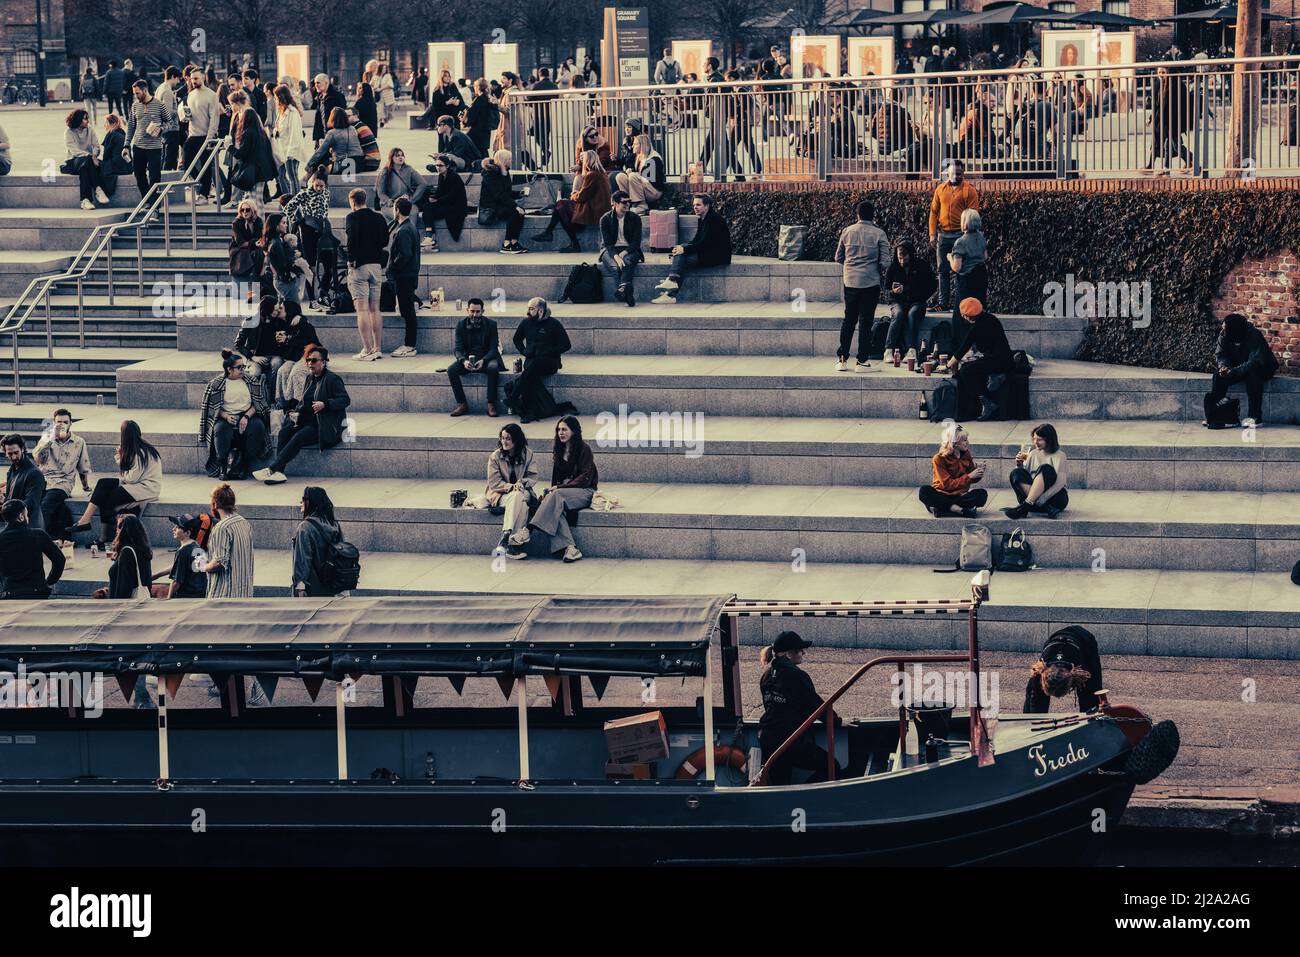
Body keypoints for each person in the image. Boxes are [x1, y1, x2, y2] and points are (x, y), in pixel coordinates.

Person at [254, 345, 351, 483]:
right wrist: (296, 412)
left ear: (323, 362)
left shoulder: (333, 379)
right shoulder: (310, 378)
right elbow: (305, 402)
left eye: (314, 360)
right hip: (308, 420)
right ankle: (279, 473)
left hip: (325, 425)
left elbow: (345, 400)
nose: (310, 363)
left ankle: (271, 470)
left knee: (299, 436)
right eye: (308, 360)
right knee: (284, 432)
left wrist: (325, 404)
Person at [758, 631, 843, 786]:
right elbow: (815, 705)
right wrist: (837, 721)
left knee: (781, 785)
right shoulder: (797, 675)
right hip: (789, 741)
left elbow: (775, 708)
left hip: (768, 739)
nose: (804, 652)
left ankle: (791, 804)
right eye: (800, 649)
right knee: (832, 767)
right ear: (790, 654)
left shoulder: (767, 675)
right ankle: (805, 798)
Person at [508, 416, 596, 563]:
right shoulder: (559, 450)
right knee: (555, 508)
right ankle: (571, 549)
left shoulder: (584, 449)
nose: (561, 433)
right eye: (558, 430)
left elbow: (585, 478)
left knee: (557, 496)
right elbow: (556, 480)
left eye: (564, 429)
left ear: (573, 431)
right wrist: (549, 493)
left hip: (585, 491)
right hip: (563, 494)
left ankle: (528, 530)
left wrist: (558, 488)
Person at [74, 420, 163, 546]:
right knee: (103, 483)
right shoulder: (141, 447)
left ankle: (105, 539)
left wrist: (120, 459)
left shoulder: (139, 452)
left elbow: (132, 478)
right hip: (138, 485)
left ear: (125, 435)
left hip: (145, 488)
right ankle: (86, 520)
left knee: (107, 498)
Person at [833, 200, 891, 373]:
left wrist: (851, 266)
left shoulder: (847, 231)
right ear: (873, 215)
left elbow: (838, 257)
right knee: (865, 322)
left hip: (850, 282)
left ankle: (842, 359)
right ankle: (863, 361)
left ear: (857, 215)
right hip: (870, 283)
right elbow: (886, 262)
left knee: (849, 320)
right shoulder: (879, 234)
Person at [200, 348, 272, 480]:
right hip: (226, 416)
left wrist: (246, 416)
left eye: (244, 366)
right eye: (239, 367)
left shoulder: (250, 381)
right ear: (229, 369)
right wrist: (226, 416)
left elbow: (258, 404)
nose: (243, 370)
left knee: (258, 428)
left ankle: (243, 464)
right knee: (220, 430)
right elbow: (212, 408)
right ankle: (222, 467)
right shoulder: (216, 384)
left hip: (247, 414)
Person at [653, 194, 732, 304]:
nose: (695, 207)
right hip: (707, 252)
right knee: (680, 254)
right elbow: (695, 240)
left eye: (698, 205)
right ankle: (671, 285)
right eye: (694, 205)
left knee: (681, 258)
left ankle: (671, 289)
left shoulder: (713, 220)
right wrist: (681, 247)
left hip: (717, 256)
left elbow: (704, 243)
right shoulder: (703, 218)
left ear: (707, 206)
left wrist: (684, 250)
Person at [509, 298, 578, 424]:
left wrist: (547, 351)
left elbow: (566, 345)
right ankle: (530, 412)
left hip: (550, 362)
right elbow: (516, 339)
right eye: (528, 308)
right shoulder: (526, 322)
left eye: (531, 309)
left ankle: (515, 398)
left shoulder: (554, 324)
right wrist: (524, 351)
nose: (528, 311)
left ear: (540, 311)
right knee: (531, 373)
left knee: (530, 371)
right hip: (531, 361)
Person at [945, 298, 1013, 422]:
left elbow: (962, 349)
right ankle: (996, 377)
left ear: (968, 316)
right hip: (1005, 359)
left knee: (965, 372)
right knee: (967, 367)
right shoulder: (991, 318)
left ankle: (987, 403)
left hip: (997, 361)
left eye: (963, 315)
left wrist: (947, 366)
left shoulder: (976, 327)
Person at [33, 409, 93, 542]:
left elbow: (83, 467)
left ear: (71, 423)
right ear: (54, 424)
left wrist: (86, 486)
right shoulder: (47, 437)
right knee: (36, 502)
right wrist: (50, 439)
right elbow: (38, 460)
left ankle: (37, 539)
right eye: (58, 422)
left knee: (46, 504)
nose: (62, 425)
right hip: (43, 479)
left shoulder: (79, 442)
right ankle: (60, 535)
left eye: (65, 422)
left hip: (63, 482)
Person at [344, 186, 390, 360]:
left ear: (352, 201)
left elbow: (352, 238)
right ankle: (378, 348)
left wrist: (351, 259)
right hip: (376, 266)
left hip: (359, 267)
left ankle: (367, 348)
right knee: (375, 309)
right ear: (365, 200)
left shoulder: (352, 217)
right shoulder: (378, 217)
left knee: (361, 310)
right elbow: (385, 240)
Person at [1210, 312, 1278, 428]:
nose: (1222, 332)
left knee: (1253, 375)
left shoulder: (1254, 336)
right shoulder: (1224, 336)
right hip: (1239, 366)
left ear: (1235, 331)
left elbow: (1254, 362)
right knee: (1218, 376)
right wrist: (1224, 367)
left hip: (1262, 367)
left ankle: (1255, 417)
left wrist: (1234, 371)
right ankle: (1217, 416)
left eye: (1225, 329)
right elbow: (1221, 355)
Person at [928, 160, 979, 312]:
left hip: (960, 235)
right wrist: (932, 234)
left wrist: (968, 237)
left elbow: (973, 215)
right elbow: (933, 213)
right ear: (947, 174)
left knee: (961, 270)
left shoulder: (969, 191)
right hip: (943, 235)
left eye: (958, 173)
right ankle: (943, 304)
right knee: (942, 270)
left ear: (963, 173)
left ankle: (961, 303)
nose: (955, 176)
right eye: (952, 173)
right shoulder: (940, 189)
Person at [1023, 626, 1104, 714]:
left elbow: (1092, 694)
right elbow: (1035, 700)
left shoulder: (1080, 669)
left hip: (1085, 641)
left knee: (1091, 690)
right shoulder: (1041, 668)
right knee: (1033, 690)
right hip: (1056, 640)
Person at [487, 424, 539, 554]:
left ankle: (506, 535)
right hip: (501, 494)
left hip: (523, 491)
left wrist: (522, 483)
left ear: (516, 440)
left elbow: (533, 476)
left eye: (508, 438)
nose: (504, 441)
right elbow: (494, 483)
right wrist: (511, 486)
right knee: (521, 504)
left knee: (518, 495)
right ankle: (512, 544)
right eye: (502, 438)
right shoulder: (495, 456)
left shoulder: (528, 454)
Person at [917, 422, 987, 517]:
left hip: (960, 495)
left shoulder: (966, 454)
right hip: (942, 493)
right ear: (955, 443)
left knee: (982, 494)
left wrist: (978, 472)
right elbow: (947, 485)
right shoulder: (939, 459)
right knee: (924, 491)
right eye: (964, 440)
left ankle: (942, 508)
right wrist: (970, 476)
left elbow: (972, 479)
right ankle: (958, 509)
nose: (968, 442)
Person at [448, 298, 502, 416]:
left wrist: (484, 360)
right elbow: (458, 349)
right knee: (451, 370)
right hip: (468, 359)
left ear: (483, 311)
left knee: (493, 368)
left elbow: (494, 349)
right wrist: (463, 361)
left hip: (486, 358)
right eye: (472, 311)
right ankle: (462, 404)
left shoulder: (491, 324)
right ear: (467, 310)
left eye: (477, 312)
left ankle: (491, 404)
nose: (474, 314)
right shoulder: (460, 325)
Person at [0, 500, 64, 600]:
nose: (28, 517)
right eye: (27, 514)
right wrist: (49, 581)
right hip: (37, 591)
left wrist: (3, 586)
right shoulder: (38, 534)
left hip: (9, 592)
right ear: (21, 516)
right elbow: (59, 559)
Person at [884, 240, 938, 356]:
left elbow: (932, 285)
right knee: (898, 314)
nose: (902, 261)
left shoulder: (922, 265)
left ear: (911, 255)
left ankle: (912, 349)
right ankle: (889, 349)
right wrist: (893, 291)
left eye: (905, 258)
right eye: (900, 258)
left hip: (917, 301)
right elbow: (886, 289)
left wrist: (921, 296)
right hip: (898, 301)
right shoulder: (893, 267)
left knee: (912, 315)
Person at [1004, 423, 1069, 520]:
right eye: (1034, 439)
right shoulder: (1033, 454)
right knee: (1016, 472)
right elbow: (1025, 478)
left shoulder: (1060, 455)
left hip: (1055, 499)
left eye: (1039, 440)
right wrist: (1019, 464)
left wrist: (1042, 499)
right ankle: (1043, 508)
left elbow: (1060, 483)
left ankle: (1025, 506)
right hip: (1036, 503)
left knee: (1045, 468)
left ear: (1049, 439)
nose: (1036, 442)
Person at [292, 486, 346, 596]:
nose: (301, 502)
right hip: (333, 585)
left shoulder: (305, 527)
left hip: (313, 587)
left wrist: (300, 586)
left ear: (311, 502)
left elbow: (303, 559)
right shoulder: (334, 524)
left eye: (303, 499)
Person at [204, 482, 254, 598]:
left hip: (225, 596)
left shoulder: (222, 528)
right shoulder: (244, 522)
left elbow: (219, 562)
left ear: (215, 504)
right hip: (245, 593)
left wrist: (203, 567)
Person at [387, 196, 422, 358]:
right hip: (409, 275)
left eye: (394, 208)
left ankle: (410, 345)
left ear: (397, 210)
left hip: (404, 276)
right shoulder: (410, 227)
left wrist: (393, 267)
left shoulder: (404, 231)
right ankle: (409, 344)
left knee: (408, 312)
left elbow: (405, 254)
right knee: (408, 310)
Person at [126, 79, 172, 197]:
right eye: (134, 93)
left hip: (154, 148)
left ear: (145, 91)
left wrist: (161, 129)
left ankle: (155, 206)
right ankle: (148, 200)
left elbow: (170, 122)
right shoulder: (135, 106)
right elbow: (131, 126)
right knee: (139, 175)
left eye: (138, 93)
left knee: (154, 178)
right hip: (138, 146)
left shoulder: (159, 105)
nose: (135, 96)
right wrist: (126, 145)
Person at [478, 150, 529, 254]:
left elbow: (506, 192)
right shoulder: (490, 173)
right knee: (515, 212)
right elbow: (498, 194)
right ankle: (506, 244)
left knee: (520, 211)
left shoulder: (504, 171)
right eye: (509, 159)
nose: (511, 161)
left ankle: (513, 243)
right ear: (503, 160)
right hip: (490, 206)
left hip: (499, 203)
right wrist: (515, 205)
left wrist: (520, 193)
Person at [598, 191, 643, 307]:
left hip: (630, 249)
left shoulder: (635, 218)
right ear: (615, 204)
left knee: (627, 263)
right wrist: (616, 257)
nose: (628, 204)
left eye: (629, 202)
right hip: (609, 250)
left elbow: (636, 242)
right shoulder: (605, 219)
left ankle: (622, 292)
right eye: (624, 202)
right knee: (615, 266)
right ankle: (627, 293)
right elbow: (608, 243)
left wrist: (623, 253)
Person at [182, 70, 221, 202]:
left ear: (203, 78)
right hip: (193, 134)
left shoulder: (211, 95)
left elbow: (214, 118)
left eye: (196, 78)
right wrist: (185, 117)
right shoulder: (191, 95)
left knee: (206, 164)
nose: (194, 81)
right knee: (186, 163)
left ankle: (204, 194)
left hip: (206, 135)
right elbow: (189, 115)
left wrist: (210, 137)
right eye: (192, 79)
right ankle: (203, 184)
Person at [947, 208, 988, 328]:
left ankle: (963, 341)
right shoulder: (981, 237)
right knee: (979, 308)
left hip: (967, 280)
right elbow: (985, 256)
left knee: (964, 310)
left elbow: (956, 267)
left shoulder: (960, 242)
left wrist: (950, 257)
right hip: (981, 275)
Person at [65, 109, 111, 210]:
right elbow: (74, 151)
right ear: (78, 120)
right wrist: (91, 156)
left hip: (87, 162)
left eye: (88, 118)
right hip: (73, 161)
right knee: (86, 163)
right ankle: (98, 189)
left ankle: (85, 200)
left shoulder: (89, 129)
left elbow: (96, 146)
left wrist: (93, 155)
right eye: (85, 119)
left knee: (85, 168)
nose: (88, 121)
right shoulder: (69, 132)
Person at [420, 155, 467, 250]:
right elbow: (440, 192)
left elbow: (453, 196)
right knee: (426, 207)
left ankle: (430, 237)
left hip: (456, 206)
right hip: (446, 202)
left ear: (447, 166)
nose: (438, 167)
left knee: (429, 210)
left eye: (440, 165)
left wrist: (437, 200)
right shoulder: (441, 176)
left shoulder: (454, 177)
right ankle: (430, 236)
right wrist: (433, 198)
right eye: (436, 165)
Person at [270, 84, 309, 197]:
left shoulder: (292, 112)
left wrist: (291, 153)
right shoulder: (282, 111)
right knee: (280, 175)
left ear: (281, 97)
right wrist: (276, 131)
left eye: (276, 97)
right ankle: (287, 199)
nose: (275, 100)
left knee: (292, 176)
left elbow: (295, 133)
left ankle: (295, 200)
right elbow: (278, 127)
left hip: (290, 150)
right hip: (282, 149)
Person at [2, 434, 46, 530]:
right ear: (5, 453)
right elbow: (10, 498)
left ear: (22, 449)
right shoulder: (12, 470)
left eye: (16, 452)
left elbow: (30, 504)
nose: (13, 457)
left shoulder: (34, 473)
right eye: (10, 454)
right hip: (14, 523)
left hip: (29, 527)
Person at [306, 107, 362, 179]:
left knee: (322, 163)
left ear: (332, 119)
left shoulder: (332, 133)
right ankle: (306, 180)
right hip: (358, 164)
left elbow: (320, 151)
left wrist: (309, 164)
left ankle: (311, 183)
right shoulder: (352, 129)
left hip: (344, 165)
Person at [614, 133, 664, 213]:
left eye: (635, 144)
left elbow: (652, 182)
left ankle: (642, 205)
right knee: (620, 177)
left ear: (642, 145)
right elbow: (626, 163)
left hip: (654, 192)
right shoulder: (638, 156)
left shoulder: (653, 159)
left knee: (633, 176)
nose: (633, 146)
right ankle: (626, 203)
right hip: (643, 189)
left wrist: (634, 175)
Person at [106, 513, 152, 599]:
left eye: (119, 526)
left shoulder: (127, 552)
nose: (116, 530)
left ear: (126, 530)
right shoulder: (142, 548)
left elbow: (124, 585)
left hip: (125, 605)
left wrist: (115, 606)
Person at [162, 514, 208, 599]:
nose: (173, 529)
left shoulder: (183, 551)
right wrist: (156, 575)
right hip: (200, 594)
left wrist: (168, 599)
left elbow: (176, 582)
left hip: (186, 596)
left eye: (178, 527)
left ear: (187, 533)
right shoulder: (197, 547)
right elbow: (182, 567)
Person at [375, 147, 427, 222]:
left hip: (406, 203)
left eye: (402, 155)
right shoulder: (385, 172)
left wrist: (412, 199)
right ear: (391, 158)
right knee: (402, 214)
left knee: (413, 212)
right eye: (397, 155)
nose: (400, 157)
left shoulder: (408, 169)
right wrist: (389, 201)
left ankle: (410, 232)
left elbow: (423, 183)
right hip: (390, 205)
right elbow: (381, 192)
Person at [228, 198, 263, 298]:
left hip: (253, 247)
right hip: (238, 248)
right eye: (242, 210)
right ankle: (250, 290)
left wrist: (256, 243)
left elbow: (260, 236)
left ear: (252, 210)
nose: (244, 212)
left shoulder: (258, 221)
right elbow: (240, 241)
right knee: (249, 255)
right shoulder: (236, 223)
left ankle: (257, 285)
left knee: (259, 254)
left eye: (247, 210)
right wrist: (254, 243)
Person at [262, 212, 300, 302]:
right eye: (283, 223)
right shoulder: (276, 243)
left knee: (286, 309)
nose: (286, 225)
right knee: (294, 309)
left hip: (282, 280)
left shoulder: (278, 240)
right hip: (284, 281)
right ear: (276, 226)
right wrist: (295, 258)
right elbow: (283, 264)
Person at [157, 66, 184, 171]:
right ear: (173, 77)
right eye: (177, 79)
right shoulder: (168, 91)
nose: (177, 82)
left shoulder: (160, 88)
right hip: (171, 129)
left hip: (164, 129)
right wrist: (179, 110)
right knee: (170, 160)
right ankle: (167, 183)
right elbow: (167, 113)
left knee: (164, 158)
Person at [310, 74, 347, 147]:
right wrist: (317, 137)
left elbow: (341, 116)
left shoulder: (337, 96)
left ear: (326, 83)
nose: (316, 85)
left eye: (318, 82)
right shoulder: (319, 97)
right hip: (322, 135)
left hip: (334, 134)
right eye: (315, 83)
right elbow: (319, 119)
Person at [465, 78, 498, 157]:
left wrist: (465, 120)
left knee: (477, 150)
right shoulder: (487, 98)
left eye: (475, 86)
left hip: (477, 130)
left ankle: (485, 166)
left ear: (478, 87)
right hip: (485, 130)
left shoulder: (479, 99)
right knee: (483, 151)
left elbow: (472, 116)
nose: (474, 88)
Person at [353, 70, 380, 134]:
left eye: (360, 88)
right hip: (372, 131)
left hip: (363, 130)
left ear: (364, 90)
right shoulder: (371, 101)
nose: (358, 90)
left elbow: (354, 113)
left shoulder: (361, 102)